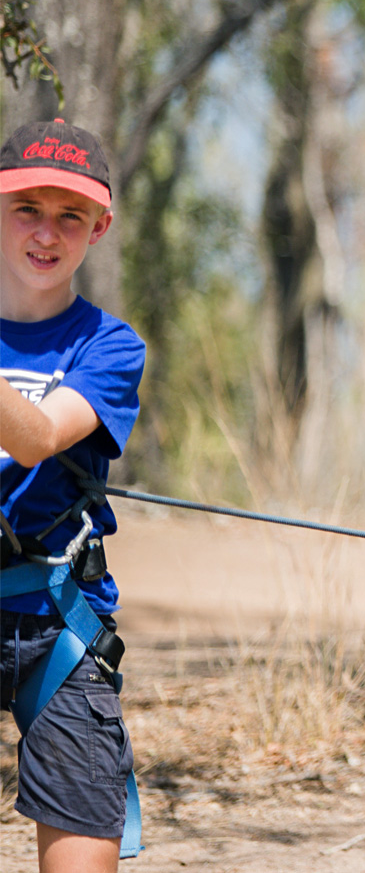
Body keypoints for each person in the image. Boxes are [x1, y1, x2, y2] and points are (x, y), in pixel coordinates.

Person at [0, 121, 146, 872]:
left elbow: (34, 438)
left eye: (70, 216)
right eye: (27, 208)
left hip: (58, 620)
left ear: (100, 227)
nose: (47, 233)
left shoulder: (110, 346)